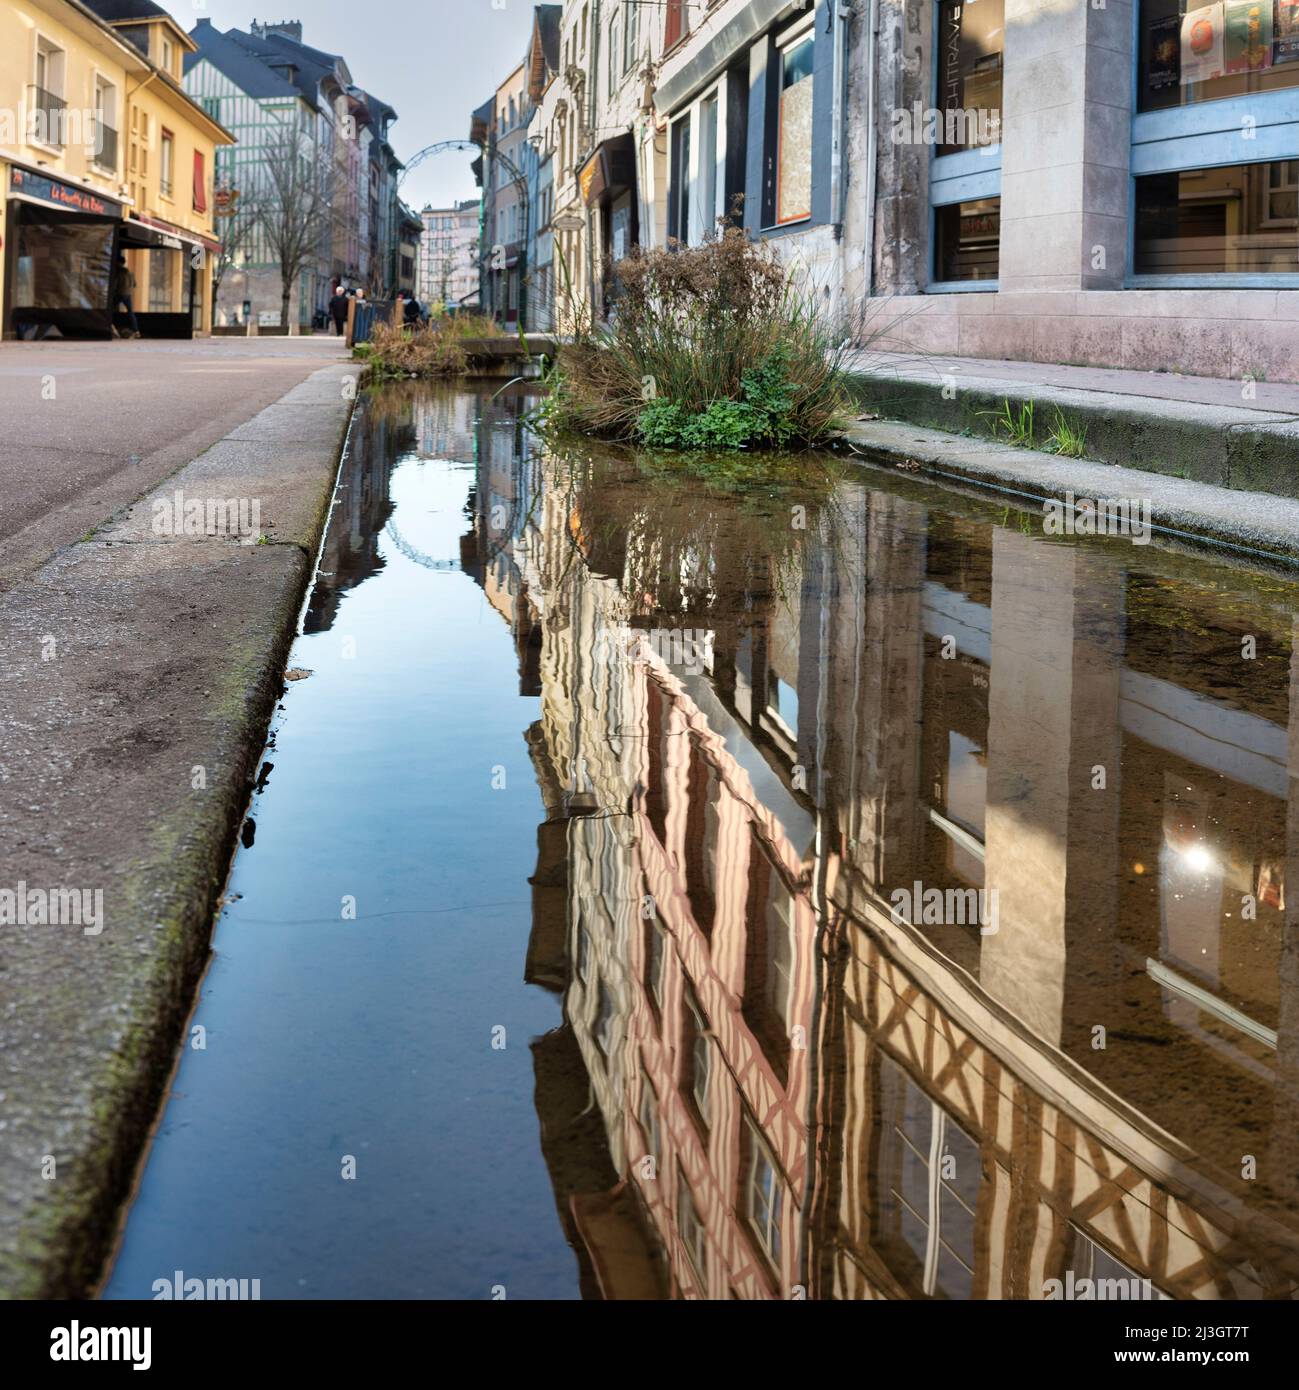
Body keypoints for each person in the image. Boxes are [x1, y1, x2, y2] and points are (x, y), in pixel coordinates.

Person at [112, 255, 140, 339]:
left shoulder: (118, 271)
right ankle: (136, 331)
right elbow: (134, 284)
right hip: (128, 294)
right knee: (130, 312)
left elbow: (114, 284)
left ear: (117, 262)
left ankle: (109, 325)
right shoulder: (130, 273)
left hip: (119, 293)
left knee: (109, 309)